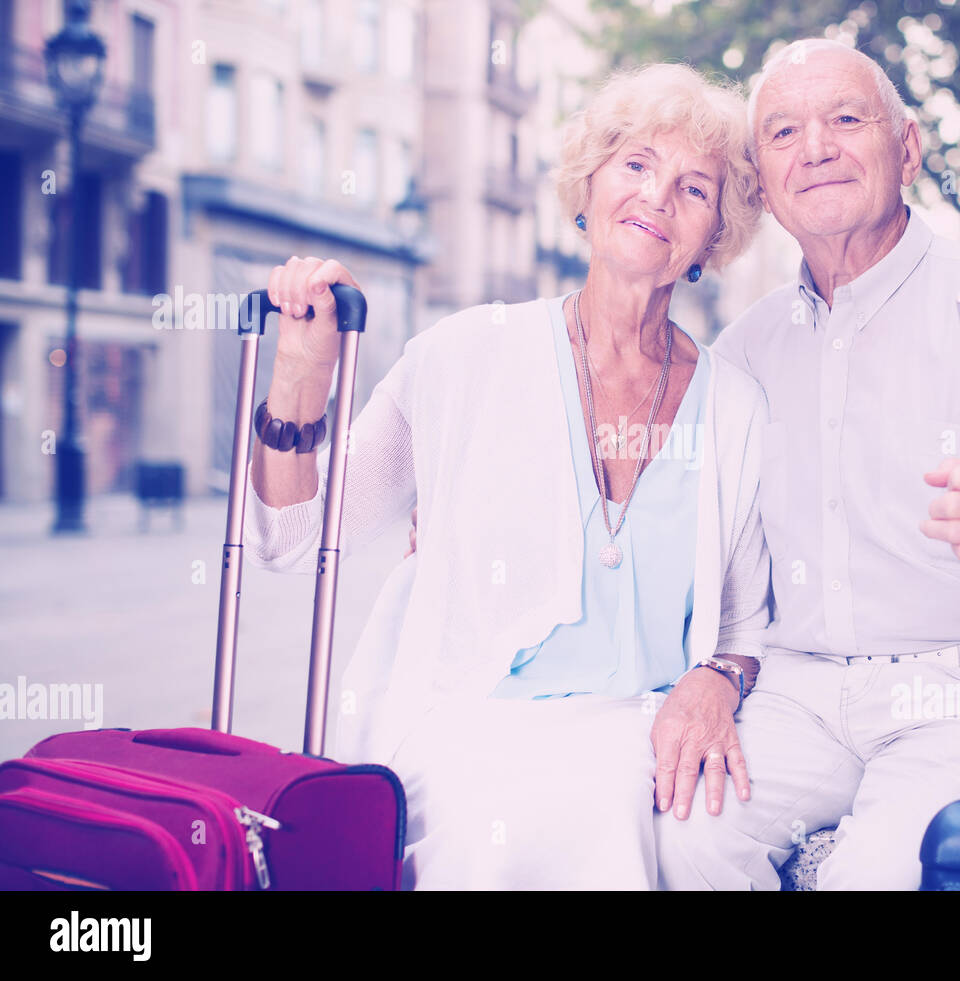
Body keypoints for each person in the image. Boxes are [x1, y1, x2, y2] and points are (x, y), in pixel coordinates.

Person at [243, 63, 771, 889]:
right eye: (635, 165)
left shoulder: (735, 404)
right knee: (505, 829)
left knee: (639, 811)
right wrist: (299, 382)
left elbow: (741, 623)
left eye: (693, 187)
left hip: (638, 730)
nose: (657, 197)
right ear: (586, 190)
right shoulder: (467, 353)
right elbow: (293, 538)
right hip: (469, 721)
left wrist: (717, 676)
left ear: (715, 236)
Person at [652, 39, 960, 890]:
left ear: (908, 148)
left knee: (879, 873)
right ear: (762, 182)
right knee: (682, 839)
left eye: (846, 120)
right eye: (783, 133)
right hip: (798, 693)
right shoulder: (743, 352)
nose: (815, 147)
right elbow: (701, 541)